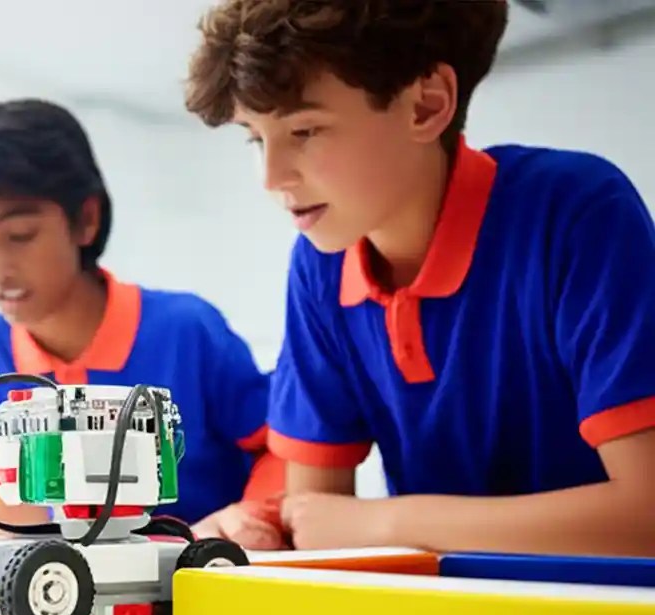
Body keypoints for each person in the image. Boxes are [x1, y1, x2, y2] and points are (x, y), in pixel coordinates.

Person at [183, 0, 655, 556]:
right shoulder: (319, 266)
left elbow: (646, 516)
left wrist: (383, 523)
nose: (270, 177)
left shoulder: (576, 213)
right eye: (256, 139)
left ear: (426, 105)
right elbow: (315, 522)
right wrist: (259, 527)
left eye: (305, 130)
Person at [0, 98, 287, 548]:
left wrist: (253, 514)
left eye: (20, 236)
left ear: (86, 220)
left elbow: (284, 446)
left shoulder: (186, 330)